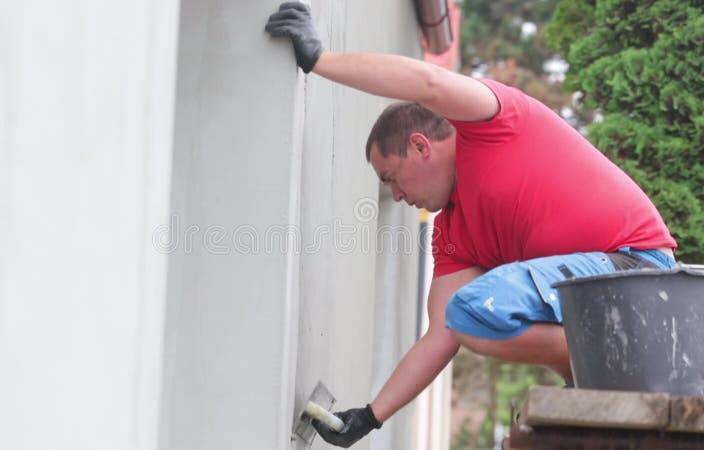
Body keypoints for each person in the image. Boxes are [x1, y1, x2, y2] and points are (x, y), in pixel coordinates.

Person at [265, 2, 678, 448]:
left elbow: (428, 80)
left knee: (473, 307)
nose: (398, 197)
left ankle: (606, 360)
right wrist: (369, 417)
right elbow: (442, 336)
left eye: (391, 179)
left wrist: (320, 61)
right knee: (476, 340)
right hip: (597, 302)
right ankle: (597, 373)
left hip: (636, 273)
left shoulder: (493, 123)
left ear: (420, 146)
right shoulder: (452, 235)